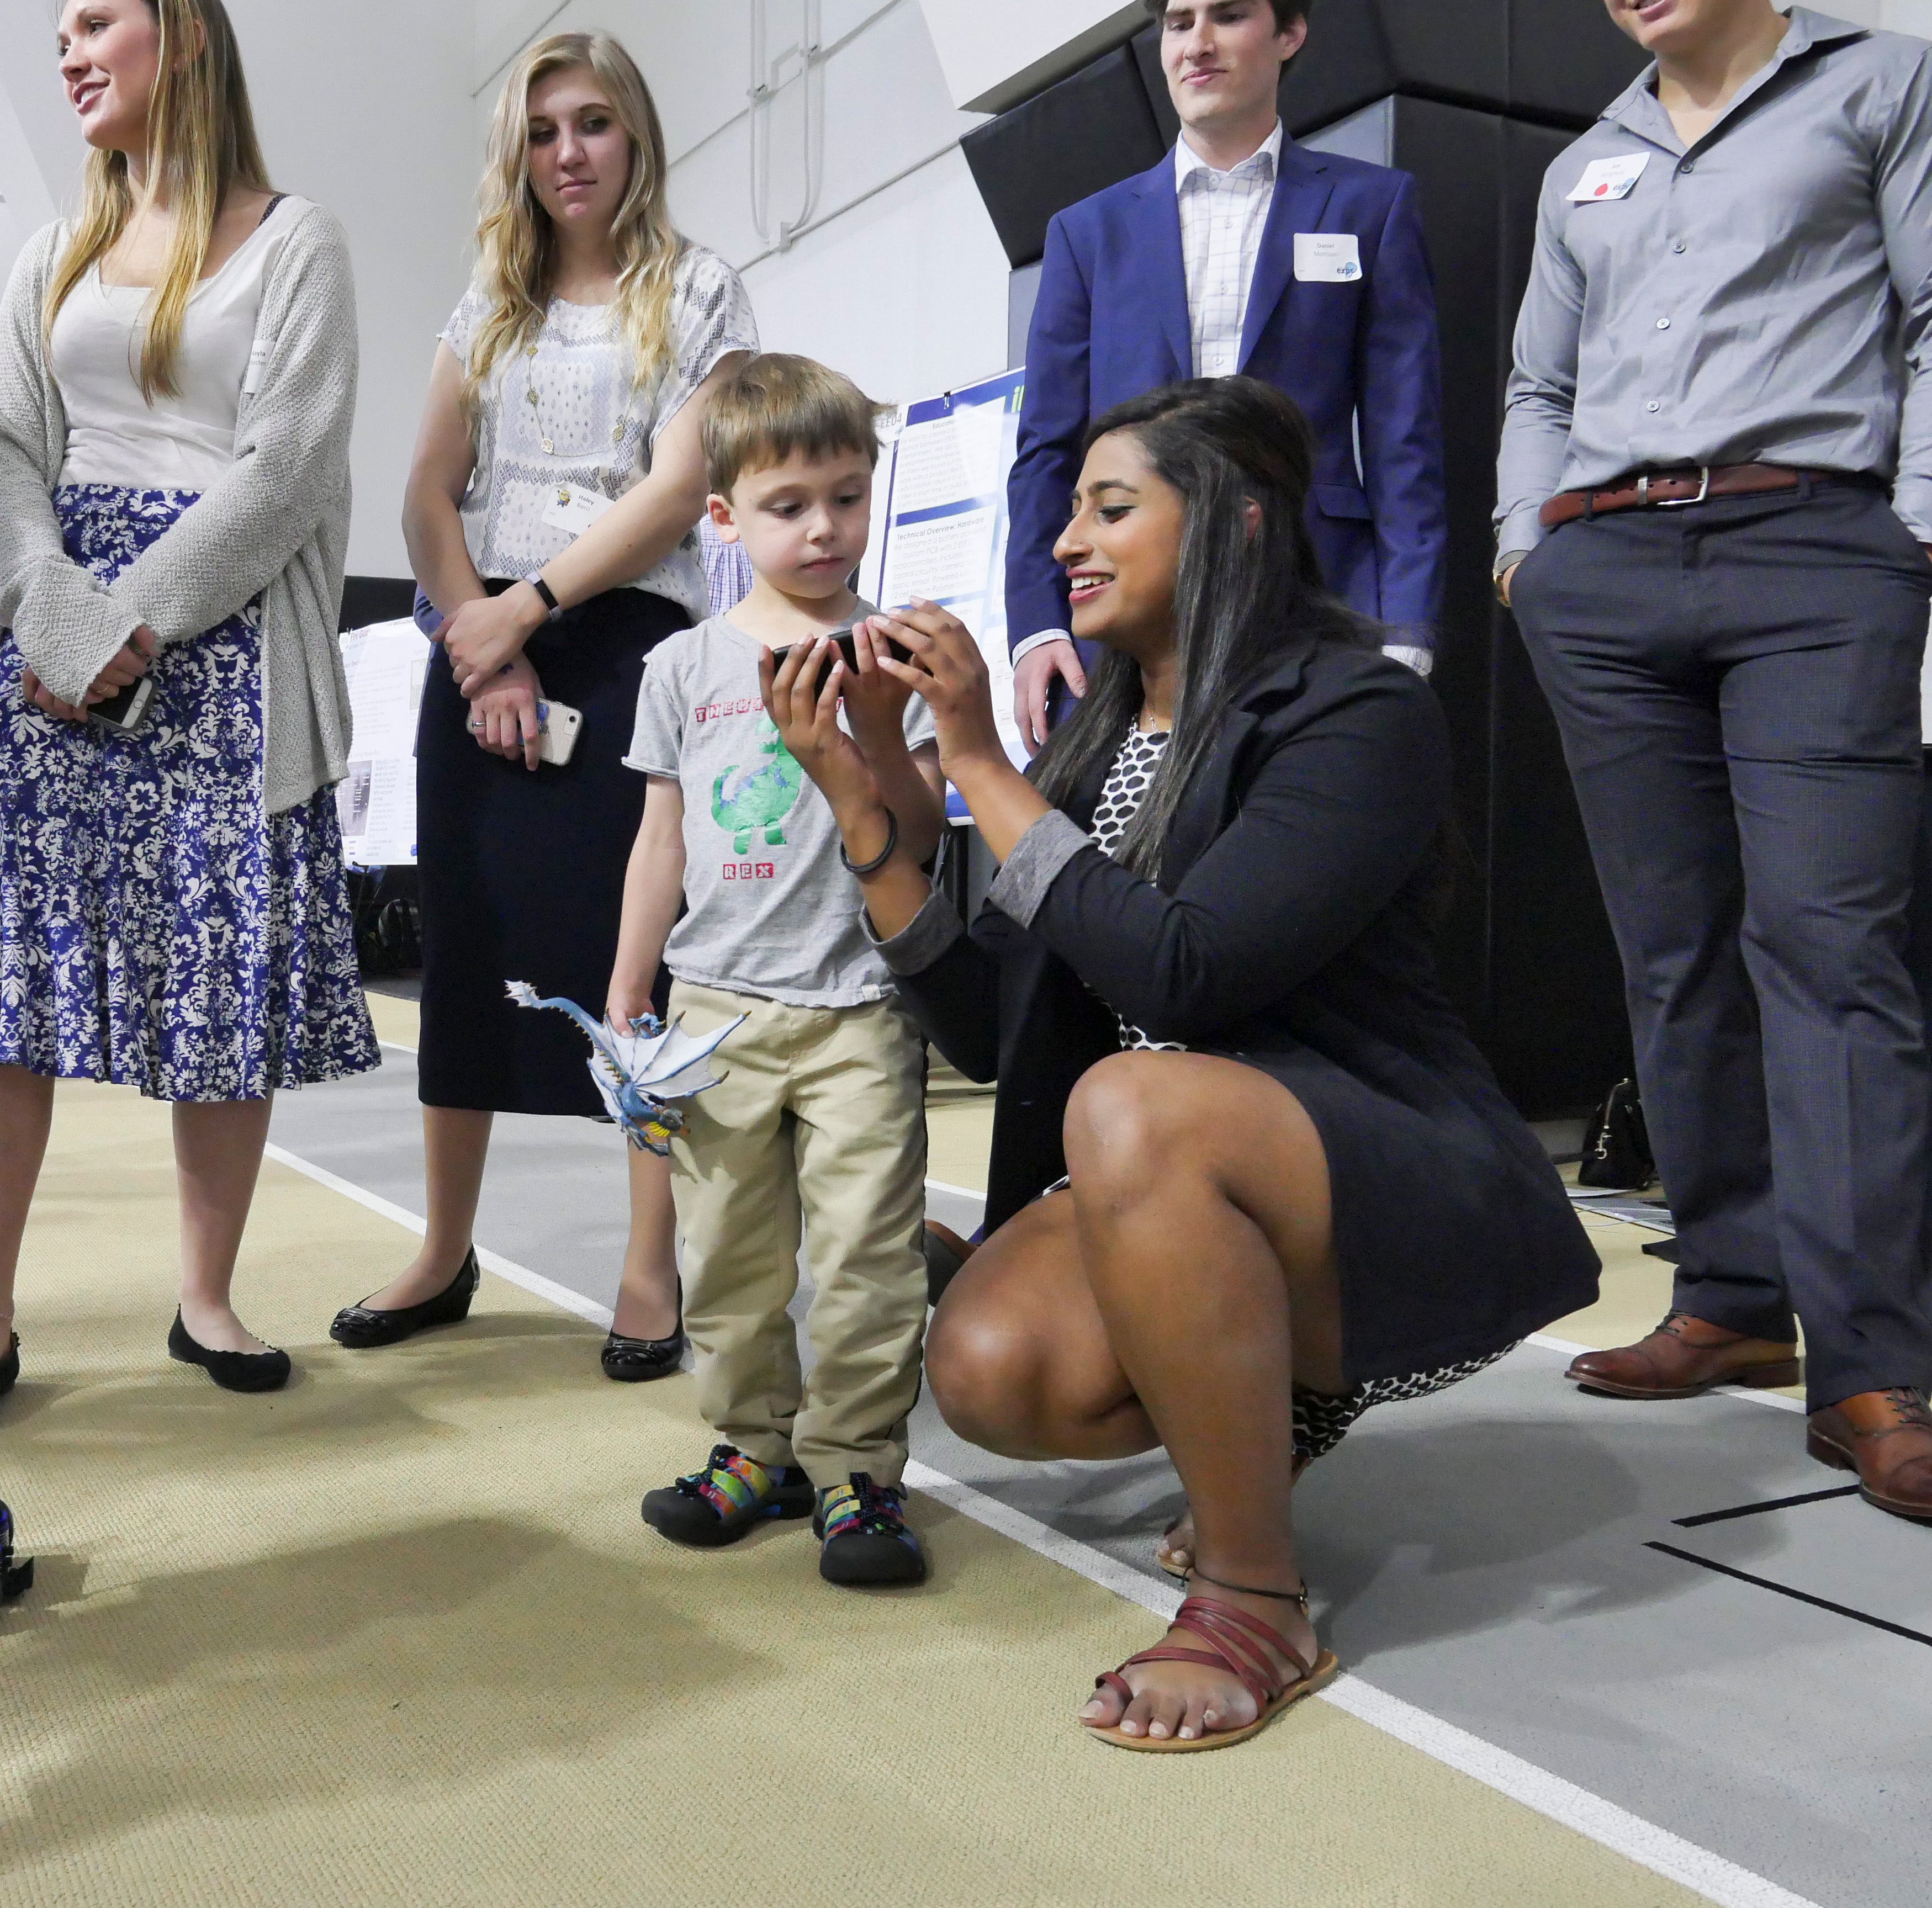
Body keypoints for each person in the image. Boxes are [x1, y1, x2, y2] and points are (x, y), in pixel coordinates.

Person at [793, 377, 1595, 1749]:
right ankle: (1259, 1389)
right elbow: (992, 1031)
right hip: (1159, 1155)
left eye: (1111, 508)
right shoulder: (1097, 734)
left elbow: (1186, 972)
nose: (1065, 542)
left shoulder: (1351, 713)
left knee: (1130, 1099)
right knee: (992, 1368)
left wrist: (978, 760)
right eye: (1067, 512)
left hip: (1373, 1156)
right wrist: (866, 796)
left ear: (1230, 518)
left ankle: (1252, 1594)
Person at [1495, 1, 1932, 1522]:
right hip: (1606, 568)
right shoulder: (1589, 166)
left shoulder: (1888, 82)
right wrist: (1524, 554)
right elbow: (1538, 391)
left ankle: (1874, 1369)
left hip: (1814, 543)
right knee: (1673, 951)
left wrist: (1922, 526)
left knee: (1830, 948)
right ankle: (1739, 1300)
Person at [0, 0, 378, 1404]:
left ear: (178, 32)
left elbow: (287, 463)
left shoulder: (295, 238)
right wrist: (61, 622)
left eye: (93, 20)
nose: (67, 51)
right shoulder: (47, 253)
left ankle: (206, 1297)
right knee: (7, 985)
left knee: (216, 973)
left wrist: (132, 623)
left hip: (220, 642)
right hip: (50, 639)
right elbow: (4, 450)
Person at [337, 30, 757, 1379]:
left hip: (625, 644)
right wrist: (485, 639)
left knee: (626, 960)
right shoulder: (487, 302)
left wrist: (531, 614)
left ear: (633, 137)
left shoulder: (698, 291)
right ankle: (441, 1243)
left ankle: (648, 1262)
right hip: (483, 649)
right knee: (467, 944)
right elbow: (424, 492)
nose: (566, 153)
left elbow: (674, 487)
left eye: (590, 124)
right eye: (540, 131)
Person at [609, 356, 945, 1584]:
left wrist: (871, 735)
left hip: (861, 1006)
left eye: (848, 498)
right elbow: (661, 839)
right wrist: (627, 992)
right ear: (725, 519)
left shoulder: (898, 653)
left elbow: (915, 835)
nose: (823, 529)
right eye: (789, 505)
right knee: (728, 1252)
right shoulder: (684, 669)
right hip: (714, 1010)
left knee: (867, 1249)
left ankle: (859, 1471)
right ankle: (754, 1446)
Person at [1005, 0, 1443, 752]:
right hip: (1128, 602)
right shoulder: (1088, 233)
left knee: (1302, 842)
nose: (1197, 44)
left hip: (1316, 591)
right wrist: (1037, 623)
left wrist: (1405, 627)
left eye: (1229, 15)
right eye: (1179, 23)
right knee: (1133, 850)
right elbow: (1047, 447)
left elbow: (1407, 440)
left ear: (1290, 34)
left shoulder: (1371, 207)